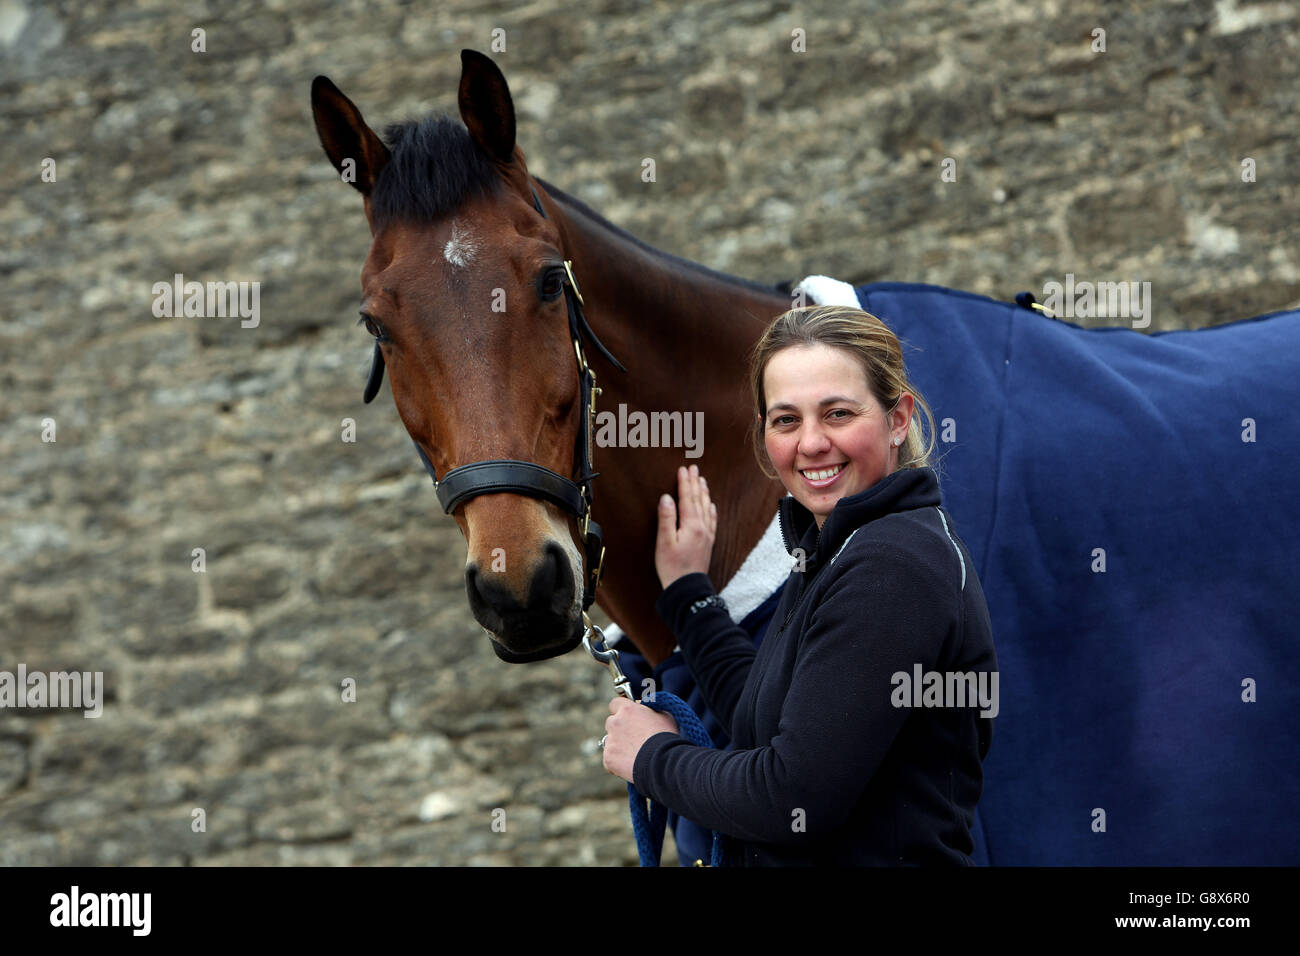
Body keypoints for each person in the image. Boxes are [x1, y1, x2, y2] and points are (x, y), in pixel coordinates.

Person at [601, 304, 997, 865]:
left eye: (837, 413)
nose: (810, 443)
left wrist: (650, 757)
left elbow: (791, 798)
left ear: (898, 418)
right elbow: (762, 717)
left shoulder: (891, 565)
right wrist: (690, 594)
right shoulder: (838, 549)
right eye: (786, 420)